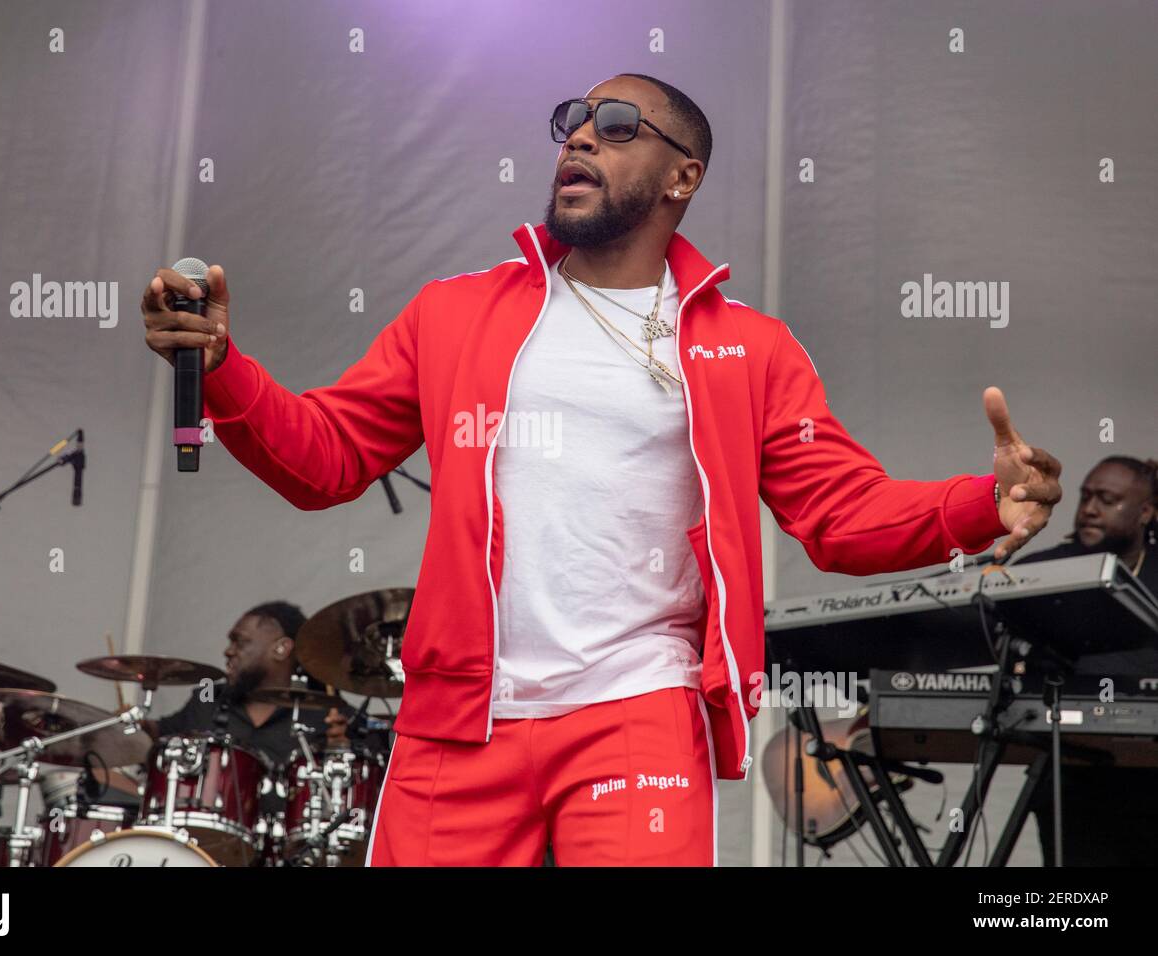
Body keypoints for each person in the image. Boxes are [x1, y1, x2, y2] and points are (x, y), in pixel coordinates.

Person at [140, 73, 1062, 866]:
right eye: (573, 121)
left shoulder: (749, 349)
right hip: (458, 722)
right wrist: (223, 370)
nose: (580, 134)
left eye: (618, 124)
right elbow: (326, 459)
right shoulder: (455, 314)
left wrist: (985, 502)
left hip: (637, 710)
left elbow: (838, 513)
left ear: (681, 177)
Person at [1013, 456, 1158, 865]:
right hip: (1071, 777)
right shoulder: (1043, 572)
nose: (1090, 509)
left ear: (1145, 511)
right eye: (1086, 497)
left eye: (1107, 500)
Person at [145, 601, 349, 764]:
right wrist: (132, 727)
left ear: (281, 648)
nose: (228, 651)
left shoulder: (326, 713)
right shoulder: (208, 699)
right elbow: (155, 735)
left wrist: (342, 749)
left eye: (240, 642)